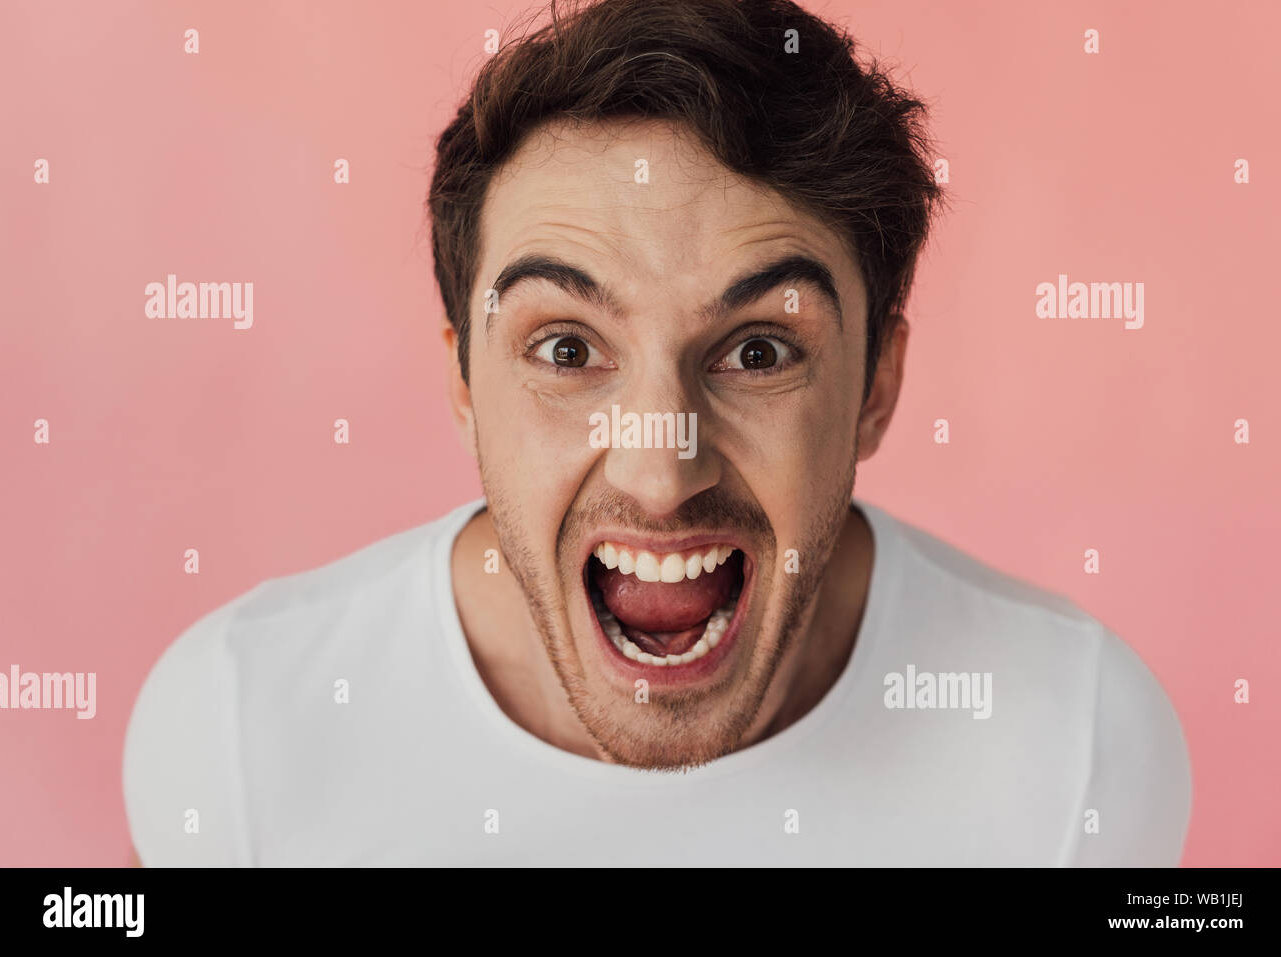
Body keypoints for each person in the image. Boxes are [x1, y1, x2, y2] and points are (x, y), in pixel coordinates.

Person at [124, 0, 1190, 866]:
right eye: (567, 350)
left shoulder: (1076, 746)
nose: (660, 469)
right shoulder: (235, 731)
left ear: (875, 388)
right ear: (461, 377)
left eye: (759, 352)